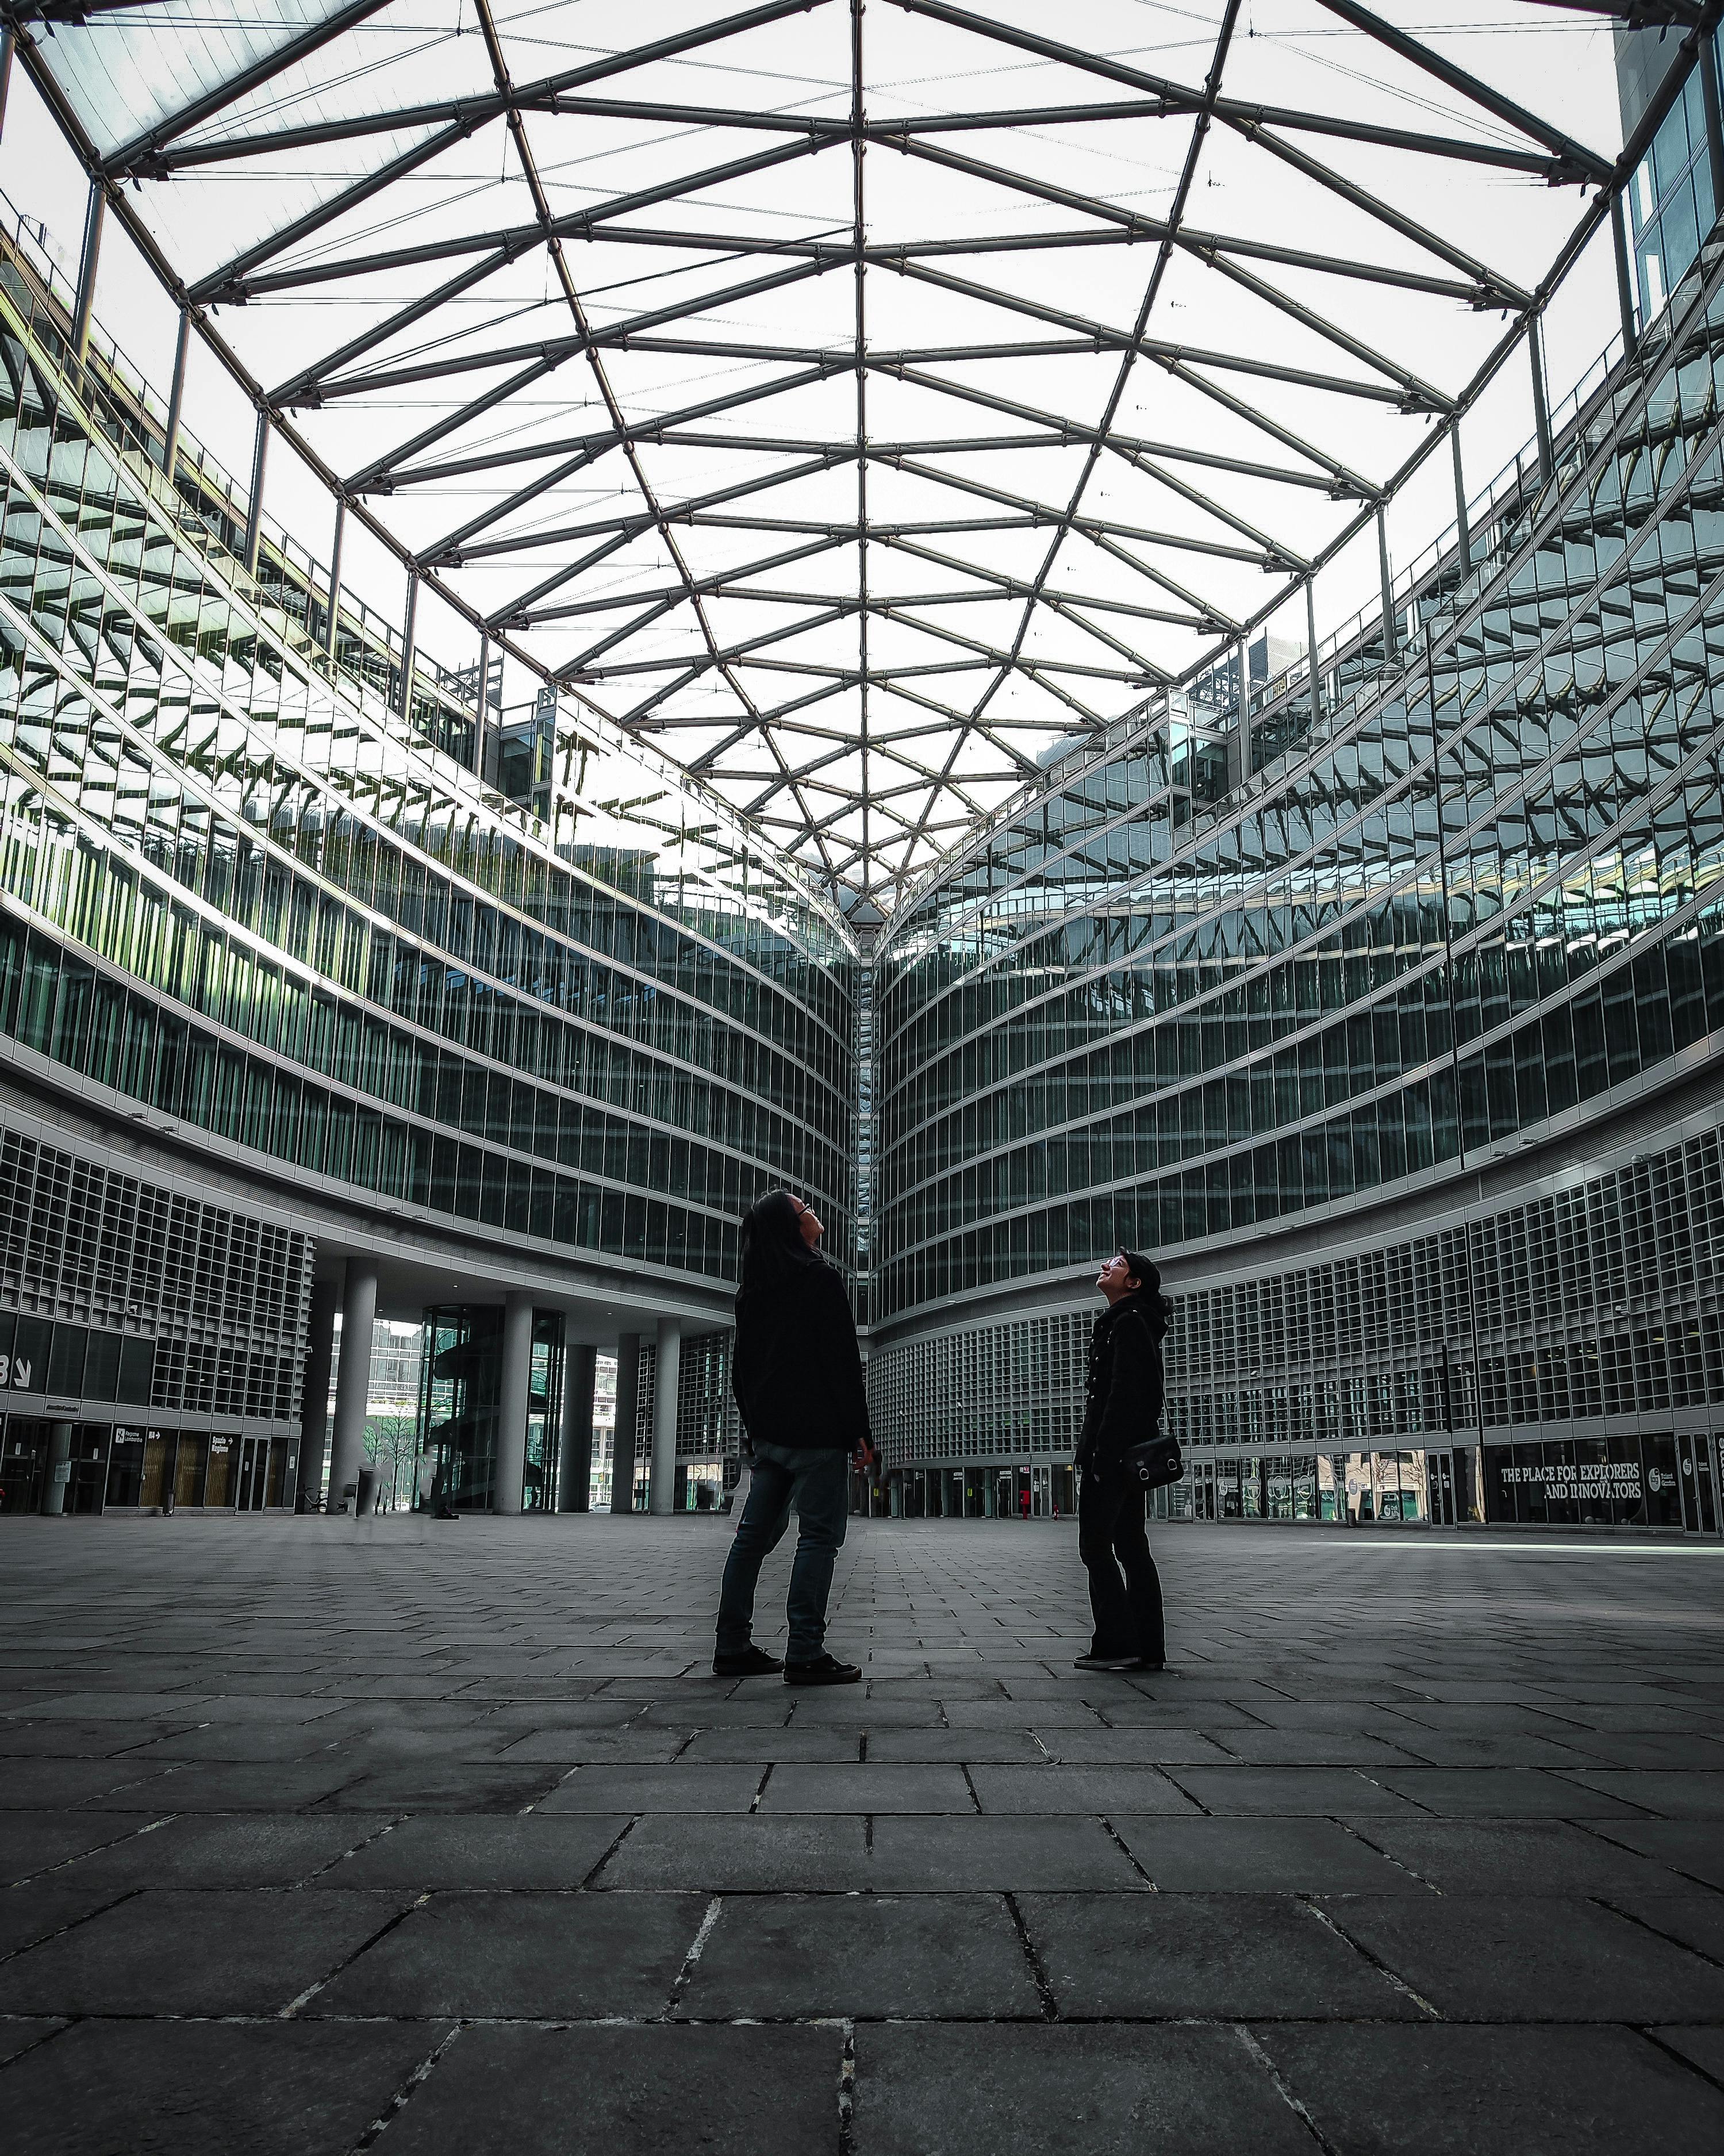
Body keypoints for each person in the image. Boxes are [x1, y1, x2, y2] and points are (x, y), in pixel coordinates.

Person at [714, 1190, 875, 1684]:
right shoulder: (819, 1279)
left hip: (770, 1438)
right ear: (792, 1227)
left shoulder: (752, 1290)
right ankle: (805, 1651)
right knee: (818, 1539)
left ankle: (731, 1644)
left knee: (750, 1540)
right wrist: (860, 1433)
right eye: (804, 1209)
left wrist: (755, 1427)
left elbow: (741, 1371)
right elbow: (842, 1362)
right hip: (818, 1434)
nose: (813, 1212)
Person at [1073, 1248, 1170, 1674]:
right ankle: (1146, 1647)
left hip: (1112, 1455)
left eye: (1116, 1264)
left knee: (1096, 1547)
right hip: (1123, 1453)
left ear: (1133, 1283)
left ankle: (1116, 1643)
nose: (1104, 1266)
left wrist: (1102, 1455)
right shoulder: (1132, 1322)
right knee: (1130, 1547)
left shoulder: (1128, 1322)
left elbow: (1126, 1395)